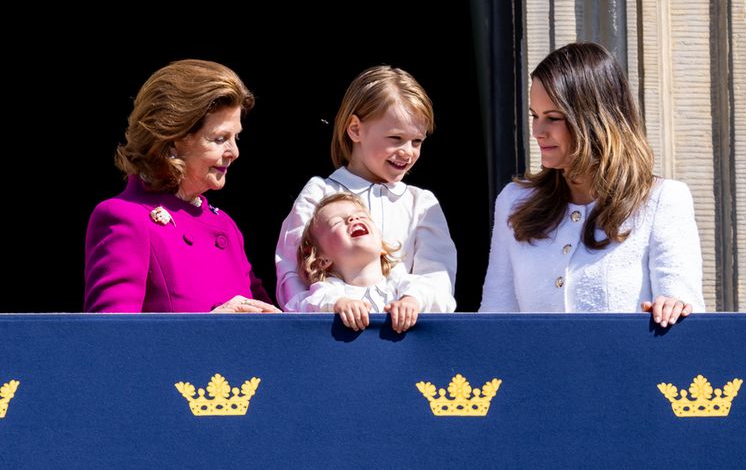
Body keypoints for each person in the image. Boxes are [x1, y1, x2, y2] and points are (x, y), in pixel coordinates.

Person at [479, 42, 704, 325]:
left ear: (595, 120)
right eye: (535, 116)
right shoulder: (514, 201)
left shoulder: (664, 200)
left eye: (553, 118)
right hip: (533, 369)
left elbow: (684, 311)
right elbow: (495, 316)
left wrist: (673, 307)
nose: (537, 131)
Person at [84, 59, 279, 313]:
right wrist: (208, 327)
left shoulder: (226, 227)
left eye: (236, 137)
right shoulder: (125, 217)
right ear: (174, 140)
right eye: (220, 139)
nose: (234, 152)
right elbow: (110, 339)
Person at [275, 65, 457, 312]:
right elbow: (292, 271)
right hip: (330, 336)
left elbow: (438, 278)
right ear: (355, 129)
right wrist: (321, 312)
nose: (407, 151)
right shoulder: (319, 192)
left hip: (403, 340)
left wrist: (413, 301)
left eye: (417, 141)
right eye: (395, 138)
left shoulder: (421, 203)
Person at [291, 192, 455, 332]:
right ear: (322, 260)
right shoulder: (328, 291)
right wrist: (338, 304)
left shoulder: (400, 284)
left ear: (382, 247)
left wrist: (411, 301)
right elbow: (300, 307)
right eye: (336, 222)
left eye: (361, 216)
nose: (353, 218)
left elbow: (442, 299)